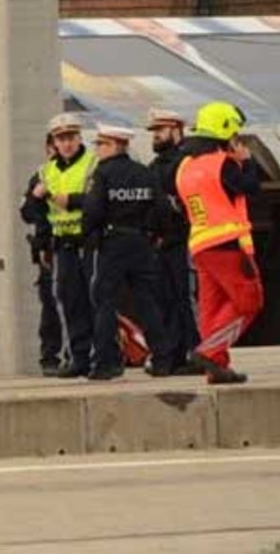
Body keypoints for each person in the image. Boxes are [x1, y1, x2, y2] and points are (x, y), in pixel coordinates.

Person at [174, 101, 262, 384]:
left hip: (200, 245)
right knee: (250, 301)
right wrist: (246, 160)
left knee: (211, 310)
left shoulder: (185, 166)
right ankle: (211, 352)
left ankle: (217, 368)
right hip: (227, 244)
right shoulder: (223, 164)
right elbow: (250, 187)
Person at [80, 125, 177, 380]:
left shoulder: (102, 174)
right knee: (146, 301)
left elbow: (92, 211)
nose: (97, 150)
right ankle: (162, 359)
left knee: (105, 302)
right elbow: (163, 208)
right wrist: (157, 235)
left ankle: (105, 363)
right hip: (142, 243)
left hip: (112, 244)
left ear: (113, 145)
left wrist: (89, 238)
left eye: (100, 144)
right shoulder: (144, 172)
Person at [32, 113, 96, 379]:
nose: (67, 143)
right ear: (54, 143)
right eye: (61, 139)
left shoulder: (93, 164)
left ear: (79, 138)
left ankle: (100, 356)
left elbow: (92, 200)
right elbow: (30, 208)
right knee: (69, 302)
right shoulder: (45, 171)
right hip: (63, 245)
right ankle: (77, 357)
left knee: (96, 301)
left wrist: (56, 197)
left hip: (89, 242)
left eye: (71, 137)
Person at [146, 108, 204, 374]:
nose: (155, 136)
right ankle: (174, 355)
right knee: (166, 300)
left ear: (177, 130)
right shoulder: (154, 166)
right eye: (154, 131)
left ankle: (198, 353)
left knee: (186, 300)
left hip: (184, 241)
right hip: (161, 244)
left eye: (161, 130)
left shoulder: (187, 162)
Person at [19, 135, 64, 376]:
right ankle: (51, 357)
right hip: (50, 249)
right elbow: (27, 212)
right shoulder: (41, 176)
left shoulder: (84, 171)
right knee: (50, 305)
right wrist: (37, 196)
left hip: (74, 246)